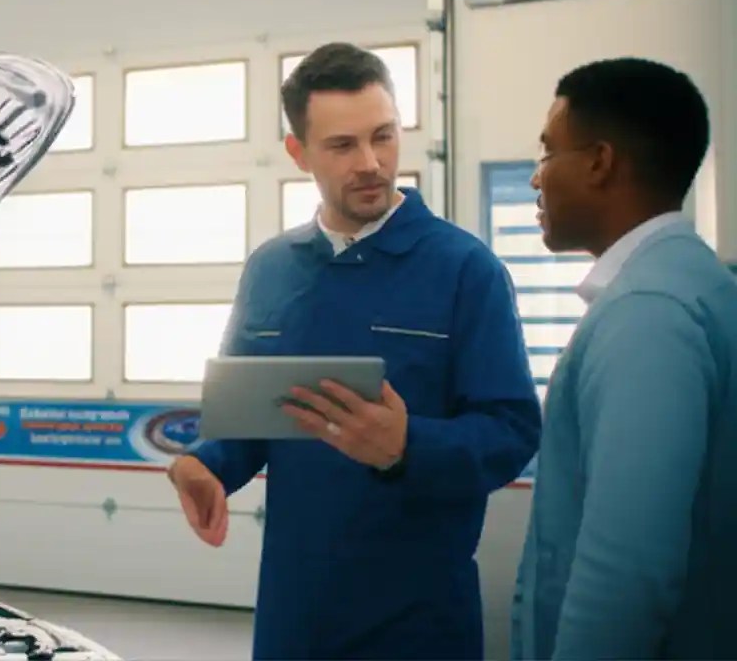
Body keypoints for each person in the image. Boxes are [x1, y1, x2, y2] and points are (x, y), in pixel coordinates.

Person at [167, 41, 542, 659]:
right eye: (343, 145)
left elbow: (511, 431)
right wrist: (207, 464)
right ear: (298, 153)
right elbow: (250, 417)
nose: (371, 162)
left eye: (384, 136)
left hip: (419, 619)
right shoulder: (269, 270)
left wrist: (406, 446)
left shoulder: (466, 270)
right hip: (295, 611)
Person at [511, 58, 737, 659]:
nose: (536, 180)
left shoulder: (648, 313)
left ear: (599, 161)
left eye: (546, 154)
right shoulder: (693, 283)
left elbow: (627, 573)